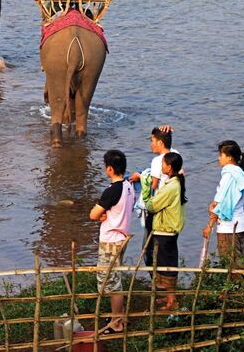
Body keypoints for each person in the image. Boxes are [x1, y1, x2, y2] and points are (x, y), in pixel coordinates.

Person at [90, 149, 136, 336]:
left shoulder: (112, 190)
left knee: (109, 280)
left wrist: (101, 213)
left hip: (110, 240)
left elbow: (93, 214)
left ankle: (117, 322)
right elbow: (120, 210)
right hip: (121, 236)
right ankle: (118, 316)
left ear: (109, 169)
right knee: (113, 277)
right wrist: (107, 214)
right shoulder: (128, 187)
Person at [131, 125, 182, 274]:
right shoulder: (175, 154)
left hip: (158, 209)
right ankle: (166, 285)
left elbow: (153, 185)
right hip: (174, 210)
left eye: (152, 140)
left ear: (160, 143)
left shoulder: (157, 162)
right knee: (170, 251)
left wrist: (140, 177)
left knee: (149, 250)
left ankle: (157, 282)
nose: (150, 144)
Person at [141, 151, 186, 311]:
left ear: (170, 167)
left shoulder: (172, 186)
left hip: (165, 231)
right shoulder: (173, 183)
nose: (162, 167)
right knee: (163, 263)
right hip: (165, 229)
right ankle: (168, 296)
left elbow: (154, 205)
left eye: (164, 164)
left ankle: (172, 300)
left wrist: (146, 196)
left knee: (167, 265)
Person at [207, 140, 244, 266]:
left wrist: (209, 225)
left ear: (229, 157)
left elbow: (220, 204)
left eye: (221, 155)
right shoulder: (239, 173)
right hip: (241, 224)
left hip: (229, 227)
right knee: (238, 261)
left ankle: (239, 285)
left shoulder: (229, 175)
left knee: (230, 265)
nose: (219, 158)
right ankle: (243, 284)